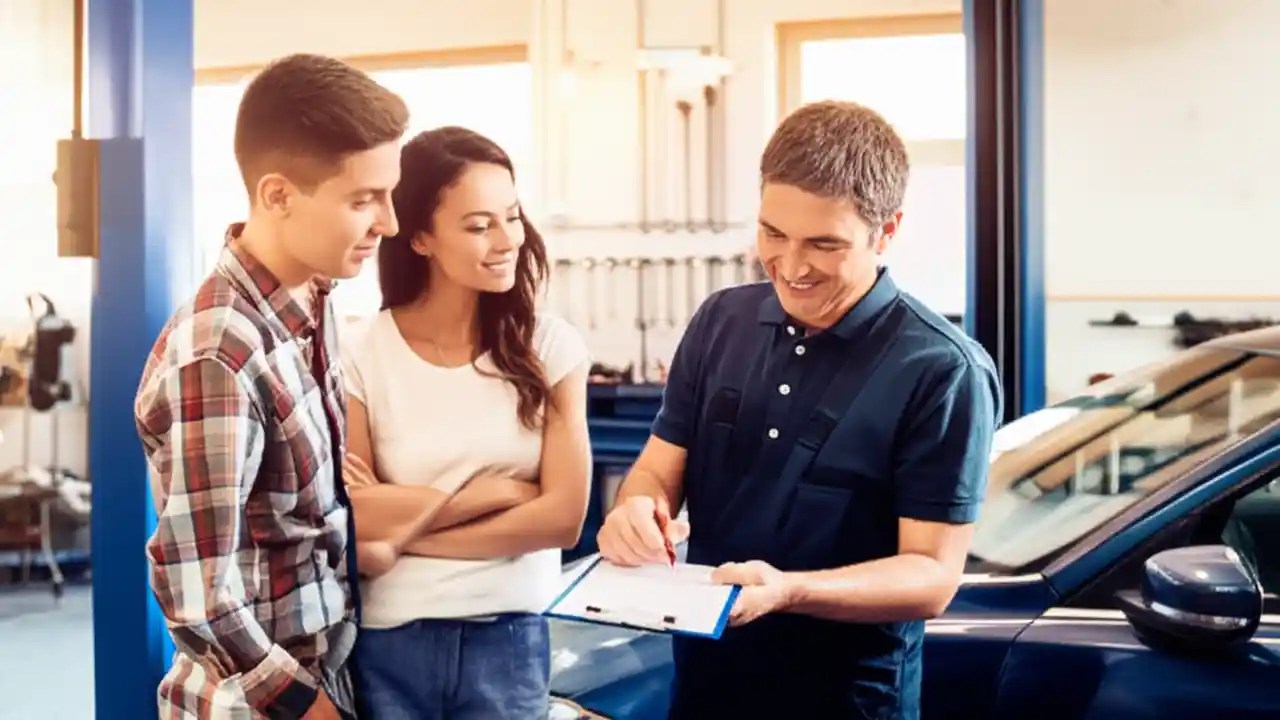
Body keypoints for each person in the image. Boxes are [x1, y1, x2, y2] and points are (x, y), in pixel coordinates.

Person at [596, 100, 1003, 719]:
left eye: (823, 244)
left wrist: (790, 591)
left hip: (847, 701)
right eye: (773, 234)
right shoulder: (720, 322)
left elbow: (931, 575)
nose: (790, 266)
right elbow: (657, 470)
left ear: (886, 230)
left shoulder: (943, 371)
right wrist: (634, 510)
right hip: (705, 684)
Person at [133, 54, 407, 720]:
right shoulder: (218, 355)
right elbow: (197, 595)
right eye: (363, 199)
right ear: (278, 194)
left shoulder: (314, 302)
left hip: (325, 670)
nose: (390, 223)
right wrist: (308, 708)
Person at [338, 126, 592, 719]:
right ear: (421, 237)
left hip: (507, 644)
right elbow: (359, 515)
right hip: (390, 643)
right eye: (479, 226)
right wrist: (499, 494)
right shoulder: (360, 349)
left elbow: (562, 518)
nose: (508, 240)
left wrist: (404, 537)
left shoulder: (551, 349)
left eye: (512, 217)